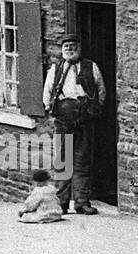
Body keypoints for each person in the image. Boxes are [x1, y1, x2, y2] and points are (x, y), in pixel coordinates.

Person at [42, 32, 106, 216]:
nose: (70, 49)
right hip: (63, 122)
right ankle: (61, 202)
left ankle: (81, 202)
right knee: (63, 162)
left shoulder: (91, 67)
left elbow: (101, 91)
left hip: (85, 122)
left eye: (73, 46)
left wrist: (91, 109)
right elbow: (47, 92)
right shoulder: (56, 69)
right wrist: (52, 111)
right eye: (66, 47)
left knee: (83, 162)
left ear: (79, 48)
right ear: (62, 50)